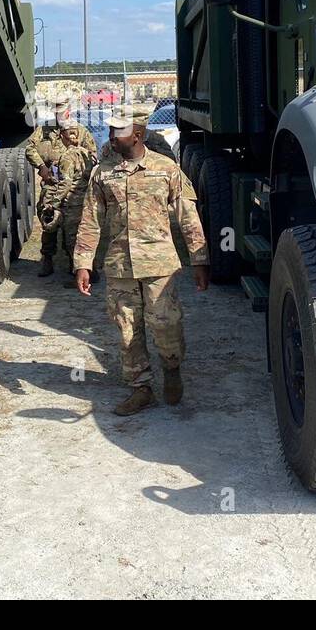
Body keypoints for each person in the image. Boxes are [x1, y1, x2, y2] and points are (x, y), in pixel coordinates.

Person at [72, 104, 209, 416]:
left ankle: (171, 370)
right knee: (127, 328)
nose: (110, 136)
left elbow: (188, 217)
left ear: (138, 135)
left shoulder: (166, 169)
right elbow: (90, 220)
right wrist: (83, 262)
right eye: (110, 130)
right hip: (120, 264)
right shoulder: (103, 173)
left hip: (159, 264)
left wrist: (200, 260)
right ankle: (141, 387)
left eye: (118, 131)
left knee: (166, 324)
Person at [26, 98, 96, 277]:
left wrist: (80, 168)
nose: (60, 115)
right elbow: (30, 149)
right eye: (56, 112)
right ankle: (47, 259)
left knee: (74, 225)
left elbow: (93, 156)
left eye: (63, 111)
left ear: (69, 111)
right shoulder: (44, 130)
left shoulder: (80, 131)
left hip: (73, 187)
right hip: (52, 183)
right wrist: (41, 167)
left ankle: (76, 264)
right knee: (48, 221)